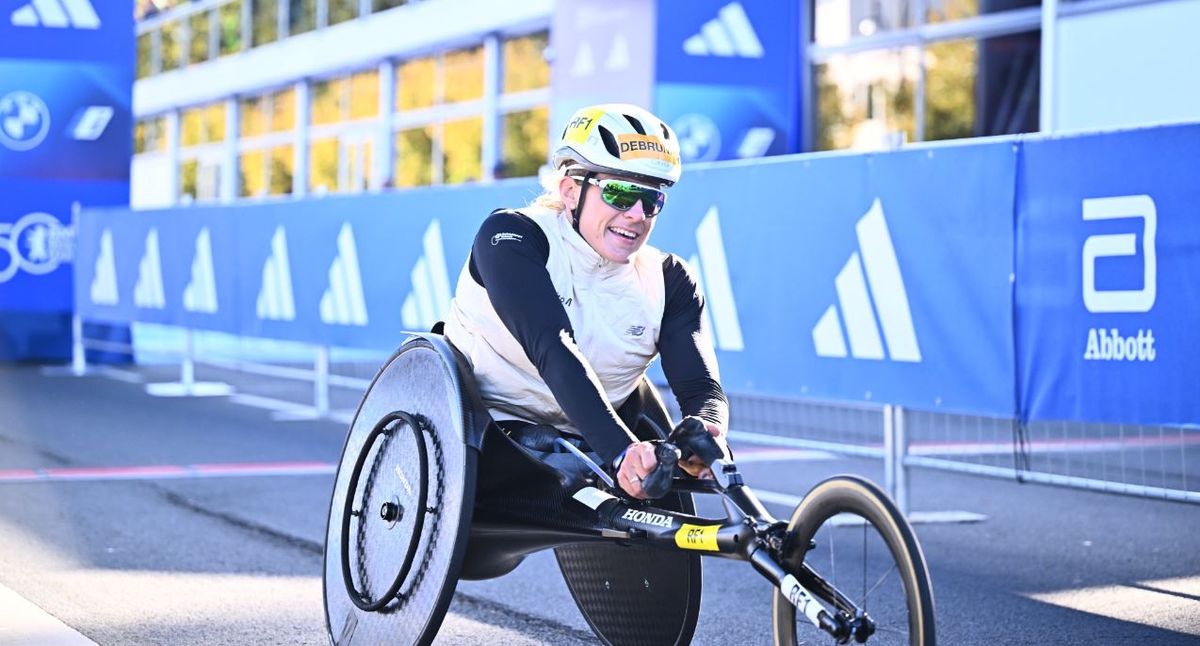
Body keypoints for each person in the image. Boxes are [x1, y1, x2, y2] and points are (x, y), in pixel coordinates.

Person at [443, 104, 729, 499]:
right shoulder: (511, 236)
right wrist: (622, 452)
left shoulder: (670, 279)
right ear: (570, 191)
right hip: (484, 429)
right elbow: (552, 347)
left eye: (651, 201)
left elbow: (700, 387)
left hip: (590, 440)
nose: (635, 215)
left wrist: (707, 426)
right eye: (620, 193)